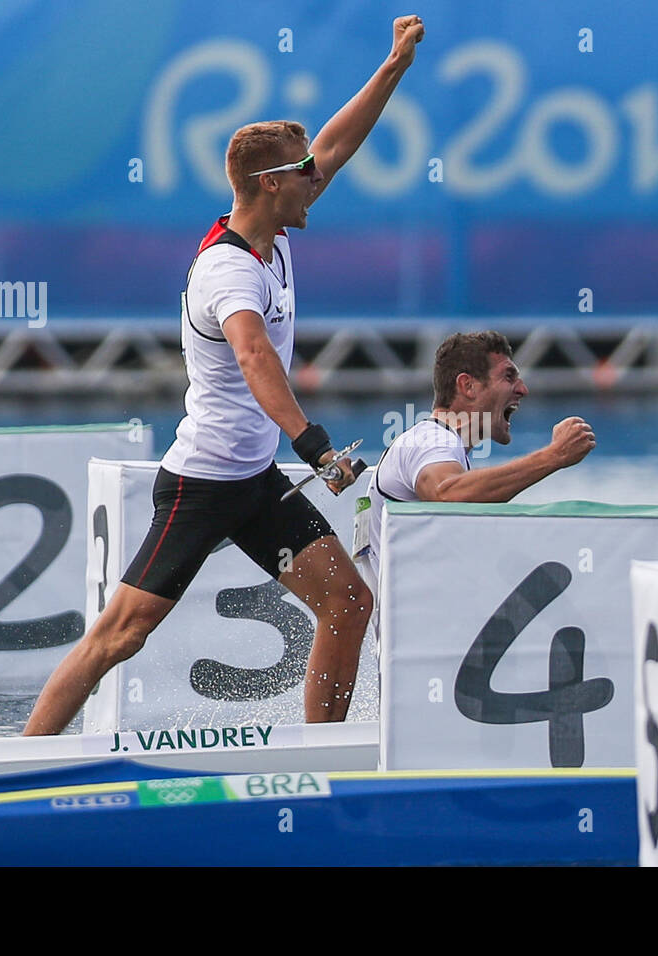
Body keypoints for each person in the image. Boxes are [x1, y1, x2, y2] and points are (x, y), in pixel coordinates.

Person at [23, 15, 426, 734]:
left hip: (255, 482)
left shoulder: (274, 228)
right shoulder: (226, 270)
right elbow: (253, 358)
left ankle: (318, 760)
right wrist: (315, 446)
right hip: (204, 485)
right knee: (123, 632)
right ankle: (18, 761)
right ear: (270, 185)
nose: (318, 180)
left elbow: (336, 143)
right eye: (304, 175)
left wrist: (394, 65)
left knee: (348, 603)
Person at [356, 331, 596, 593]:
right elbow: (447, 494)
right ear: (467, 386)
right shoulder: (430, 439)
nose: (523, 389)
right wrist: (553, 456)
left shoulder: (445, 449)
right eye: (508, 376)